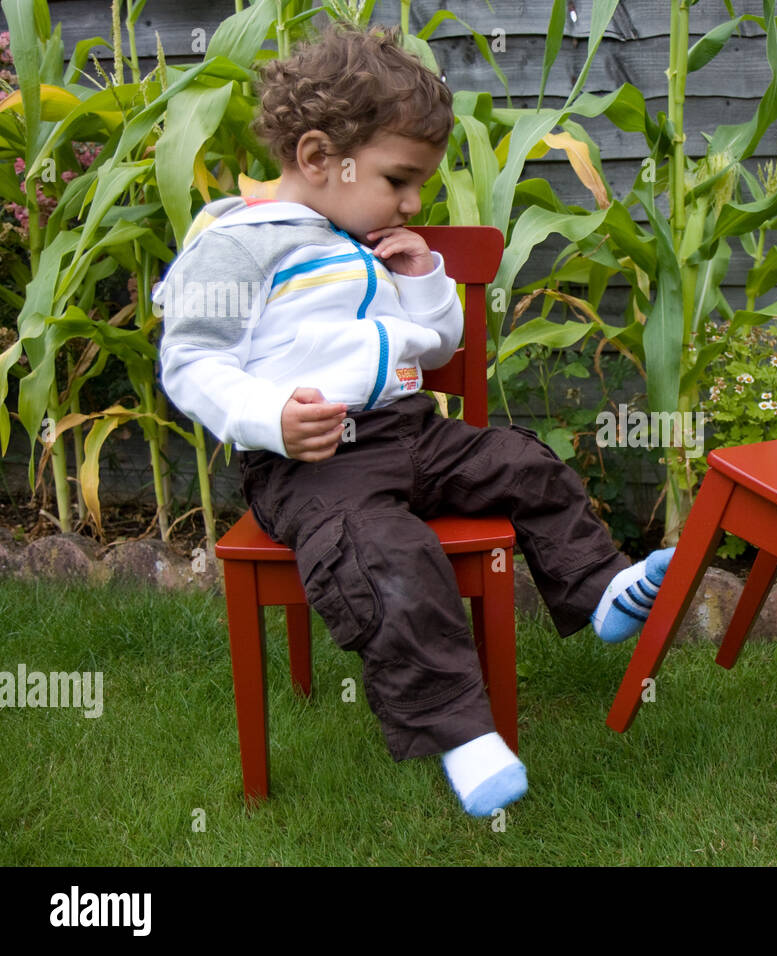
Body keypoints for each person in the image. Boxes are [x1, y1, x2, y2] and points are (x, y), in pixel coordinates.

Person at [151, 22, 673, 818]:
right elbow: (189, 361)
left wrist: (424, 276)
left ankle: (598, 588)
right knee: (387, 557)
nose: (415, 202)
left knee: (519, 459)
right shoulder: (239, 246)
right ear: (322, 156)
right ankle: (462, 733)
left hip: (413, 435)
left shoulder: (359, 241)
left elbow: (437, 346)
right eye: (400, 179)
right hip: (314, 466)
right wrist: (270, 418)